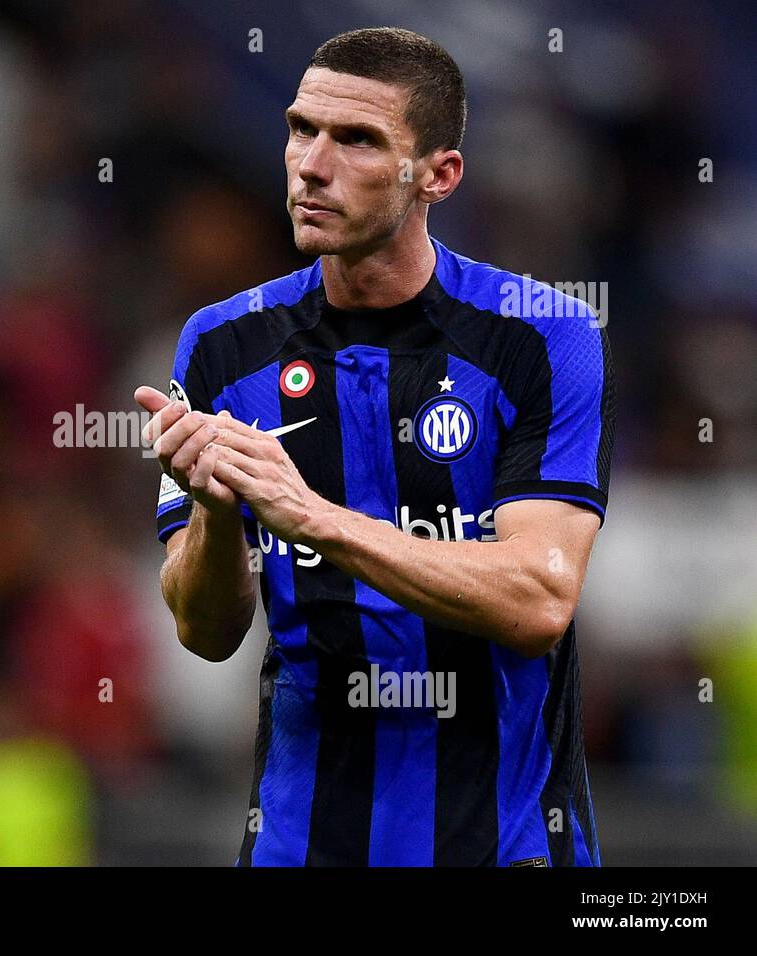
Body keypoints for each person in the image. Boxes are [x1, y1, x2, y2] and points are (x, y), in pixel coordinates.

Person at [135, 27, 613, 866]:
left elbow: (537, 602)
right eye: (300, 129)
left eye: (356, 139)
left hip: (503, 842)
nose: (312, 165)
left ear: (438, 174)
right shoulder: (220, 346)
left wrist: (310, 518)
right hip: (301, 841)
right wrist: (215, 514)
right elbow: (204, 631)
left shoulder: (542, 335)